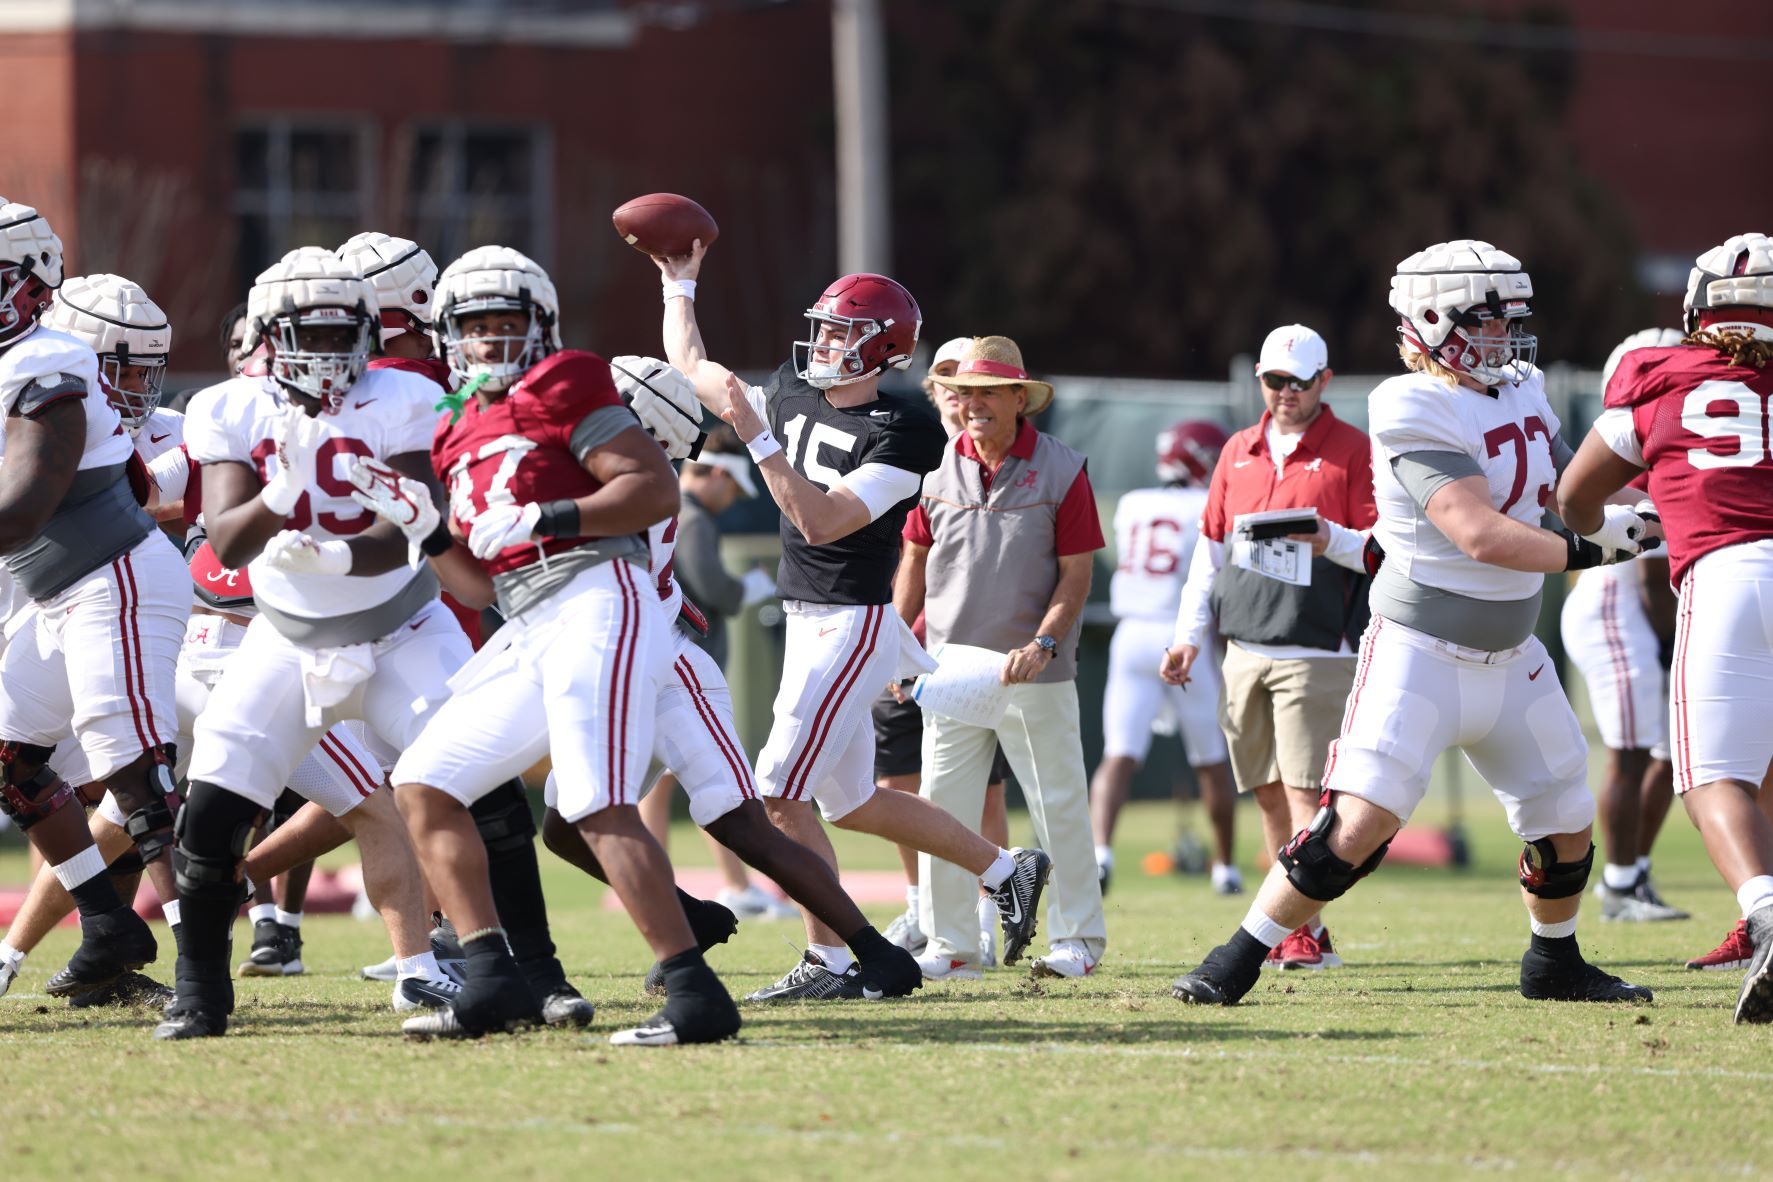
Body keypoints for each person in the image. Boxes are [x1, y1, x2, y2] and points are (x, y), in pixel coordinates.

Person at [1173, 238, 1658, 1009]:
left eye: (1509, 322)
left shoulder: (1522, 388)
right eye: (1487, 322)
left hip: (1511, 652)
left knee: (1565, 813)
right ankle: (1236, 957)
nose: (1505, 338)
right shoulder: (1407, 403)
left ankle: (1554, 961)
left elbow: (1570, 494)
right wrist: (1590, 552)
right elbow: (1478, 531)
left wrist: (1658, 513)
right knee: (1355, 825)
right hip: (1420, 652)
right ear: (1431, 321)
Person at [651, 240, 1051, 1000]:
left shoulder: (904, 428)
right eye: (823, 329)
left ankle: (828, 959)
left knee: (777, 794)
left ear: (881, 348)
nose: (823, 344)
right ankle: (1006, 868)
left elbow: (823, 520)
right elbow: (693, 367)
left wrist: (759, 438)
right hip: (810, 618)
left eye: (840, 333)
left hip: (850, 621)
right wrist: (681, 285)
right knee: (851, 801)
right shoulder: (792, 387)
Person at [382, 245, 740, 1046]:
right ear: (449, 336)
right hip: (525, 617)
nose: (492, 341)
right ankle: (491, 979)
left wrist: (552, 518)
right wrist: (428, 527)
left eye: (508, 323)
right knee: (425, 780)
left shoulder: (567, 379)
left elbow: (650, 487)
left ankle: (695, 995)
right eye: (475, 327)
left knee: (591, 800)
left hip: (594, 600)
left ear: (540, 327)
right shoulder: (452, 426)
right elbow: (475, 588)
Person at [155, 247, 472, 1039]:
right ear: (266, 335)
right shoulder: (227, 407)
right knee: (214, 796)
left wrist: (333, 550)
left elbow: (412, 528)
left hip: (401, 621)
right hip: (283, 637)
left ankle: (512, 968)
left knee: (474, 779)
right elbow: (227, 541)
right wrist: (281, 495)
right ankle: (199, 986)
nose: (330, 355)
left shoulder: (404, 393)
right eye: (309, 334)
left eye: (342, 336)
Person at [1559, 230, 1773, 1022]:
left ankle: (1765, 913)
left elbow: (1574, 496)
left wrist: (1614, 526)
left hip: (1729, 576)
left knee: (1710, 774)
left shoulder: (1660, 375)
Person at [0, 198, 186, 1004]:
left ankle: (203, 960)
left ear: (36, 287)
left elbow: (25, 506)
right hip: (56, 593)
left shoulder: (48, 357)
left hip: (111, 576)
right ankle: (107, 924)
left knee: (132, 774)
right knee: (9, 759)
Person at [895, 335, 1108, 980]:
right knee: (941, 808)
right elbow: (913, 560)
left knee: (1058, 804)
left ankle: (1079, 942)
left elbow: (1077, 576)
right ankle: (953, 945)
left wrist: (1044, 643)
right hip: (949, 669)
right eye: (965, 394)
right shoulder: (931, 467)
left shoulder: (1065, 468)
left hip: (1034, 667)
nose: (974, 405)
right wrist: (896, 645)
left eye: (989, 393)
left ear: (1021, 398)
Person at [1162, 324, 1374, 970]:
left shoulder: (1352, 450)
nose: (1284, 393)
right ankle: (1298, 923)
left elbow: (1377, 547)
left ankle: (1302, 931)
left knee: (1307, 794)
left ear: (1323, 382)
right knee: (1267, 791)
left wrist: (1325, 539)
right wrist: (1185, 637)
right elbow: (1210, 551)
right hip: (1243, 645)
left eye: (1298, 382)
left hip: (1316, 647)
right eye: (1273, 380)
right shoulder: (1236, 450)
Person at [879, 336, 1011, 963]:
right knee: (895, 779)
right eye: (951, 384)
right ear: (935, 391)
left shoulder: (996, 458)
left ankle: (990, 909)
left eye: (974, 386)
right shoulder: (908, 445)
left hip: (965, 645)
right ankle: (920, 905)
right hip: (905, 637)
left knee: (980, 788)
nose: (962, 398)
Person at [1558, 327, 1689, 923]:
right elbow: (1647, 579)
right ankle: (1617, 882)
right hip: (1619, 609)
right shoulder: (1637, 459)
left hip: (1636, 611)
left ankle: (1632, 874)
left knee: (1665, 750)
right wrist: (1674, 642)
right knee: (1633, 748)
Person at [634, 425, 790, 919]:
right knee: (713, 778)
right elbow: (714, 589)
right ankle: (735, 884)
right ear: (718, 475)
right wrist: (754, 587)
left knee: (664, 783)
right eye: (733, 489)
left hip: (657, 660)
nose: (730, 501)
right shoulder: (693, 518)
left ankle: (661, 885)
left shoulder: (668, 506)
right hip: (681, 662)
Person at [1091, 419, 1237, 896]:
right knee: (1210, 758)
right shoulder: (1204, 505)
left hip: (1131, 630)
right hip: (1181, 635)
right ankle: (1224, 868)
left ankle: (1100, 853)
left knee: (1119, 754)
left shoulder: (1133, 504)